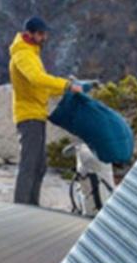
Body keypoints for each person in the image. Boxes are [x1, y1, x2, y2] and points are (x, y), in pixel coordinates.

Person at [9, 16, 86, 205]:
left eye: (45, 34)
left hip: (37, 113)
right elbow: (36, 78)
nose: (44, 38)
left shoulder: (32, 53)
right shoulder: (23, 55)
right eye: (41, 34)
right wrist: (67, 85)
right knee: (30, 164)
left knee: (39, 165)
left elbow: (41, 85)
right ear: (30, 34)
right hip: (28, 115)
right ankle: (21, 207)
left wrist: (65, 88)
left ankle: (31, 204)